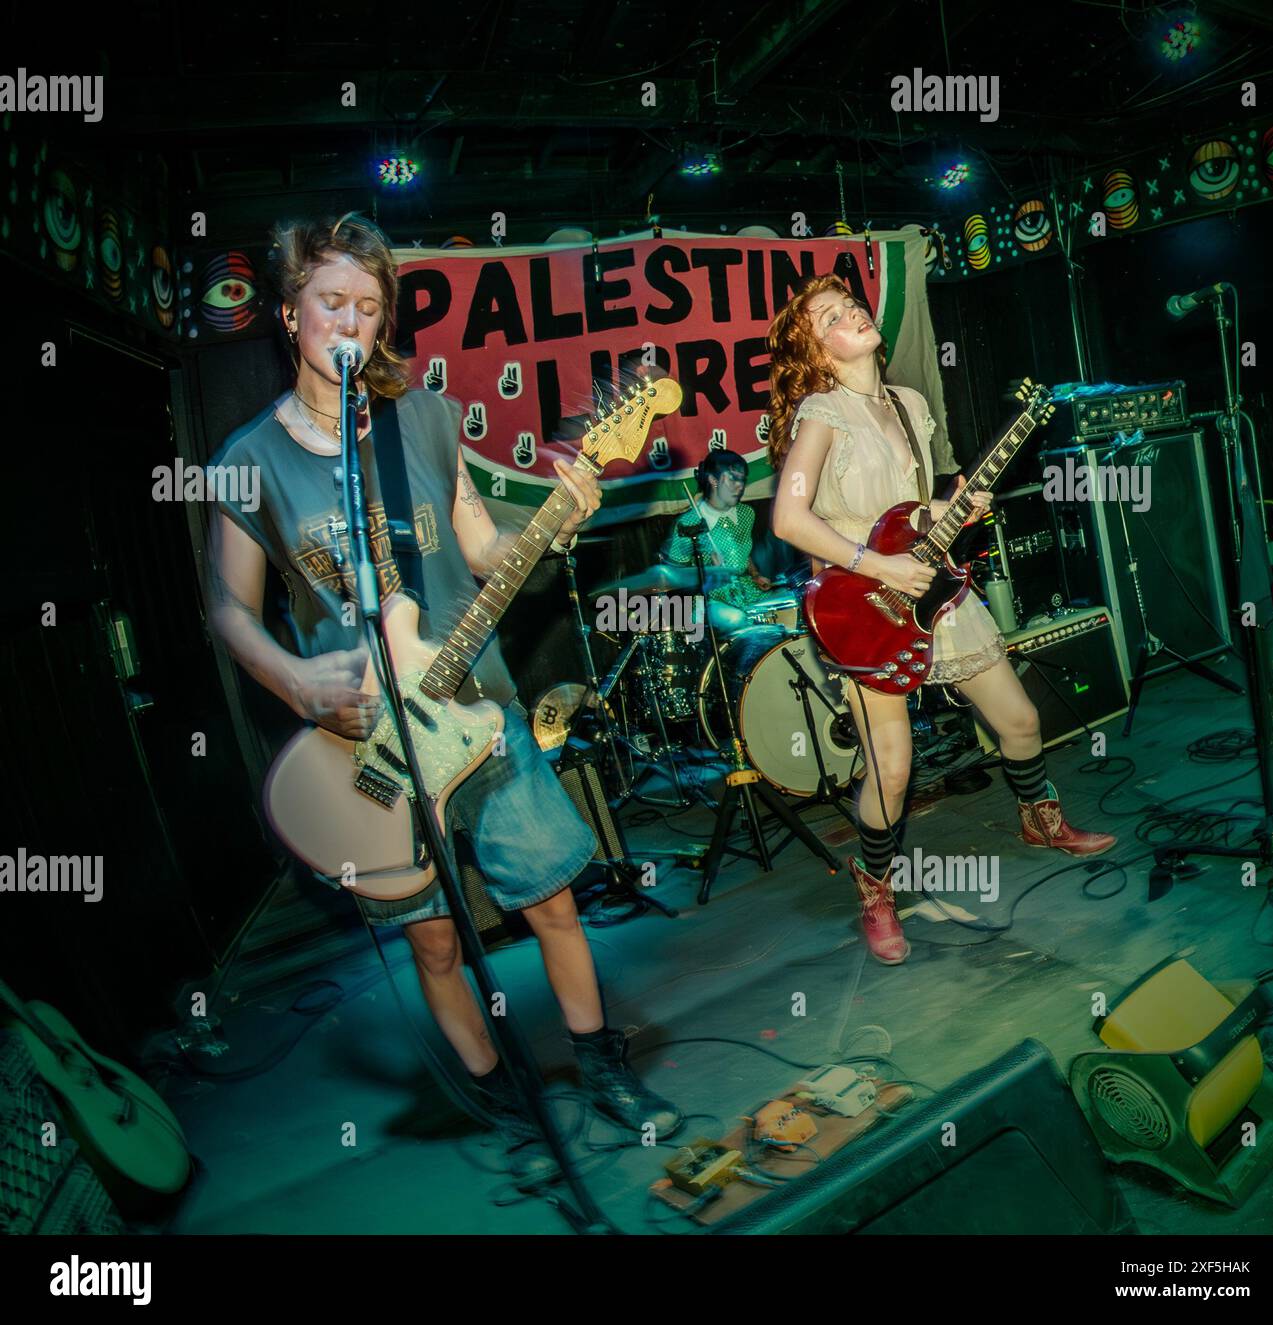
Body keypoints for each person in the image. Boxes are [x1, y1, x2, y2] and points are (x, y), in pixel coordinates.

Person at [206, 213, 681, 1190]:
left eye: (369, 306)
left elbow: (479, 548)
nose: (351, 321)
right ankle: (500, 1092)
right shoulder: (249, 458)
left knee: (549, 898)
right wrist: (293, 679)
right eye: (332, 301)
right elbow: (228, 608)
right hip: (365, 745)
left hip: (482, 711)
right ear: (291, 311)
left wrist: (552, 519)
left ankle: (600, 1066)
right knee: (431, 935)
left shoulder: (420, 413)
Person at [767, 274, 1115, 964]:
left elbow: (909, 509)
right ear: (819, 350)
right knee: (892, 770)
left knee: (1020, 721)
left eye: (853, 304)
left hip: (930, 585)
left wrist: (946, 512)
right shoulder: (819, 414)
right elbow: (789, 518)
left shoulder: (910, 402)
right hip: (866, 605)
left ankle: (1038, 816)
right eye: (833, 316)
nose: (855, 314)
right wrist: (879, 566)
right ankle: (875, 888)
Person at [660, 449, 773, 632]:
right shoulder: (689, 523)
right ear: (713, 480)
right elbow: (673, 575)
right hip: (709, 599)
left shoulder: (746, 514)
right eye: (732, 479)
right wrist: (707, 571)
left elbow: (744, 553)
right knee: (737, 619)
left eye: (742, 479)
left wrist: (755, 575)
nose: (740, 486)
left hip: (745, 592)